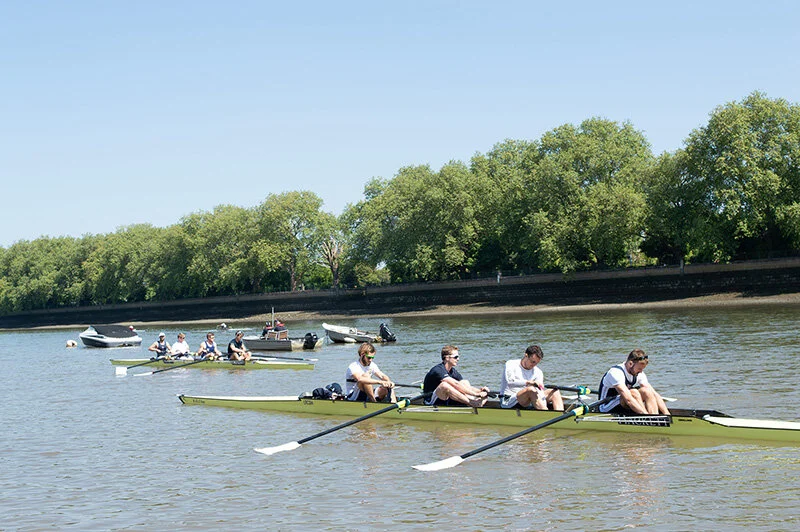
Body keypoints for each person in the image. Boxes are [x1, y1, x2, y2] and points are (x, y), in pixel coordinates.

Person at [597, 349, 671, 415]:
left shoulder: (638, 372)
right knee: (634, 392)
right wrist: (645, 415)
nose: (641, 371)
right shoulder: (615, 373)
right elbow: (628, 399)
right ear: (630, 364)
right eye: (639, 368)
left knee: (647, 391)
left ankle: (655, 417)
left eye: (642, 369)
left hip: (622, 402)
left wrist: (667, 414)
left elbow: (654, 394)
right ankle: (647, 418)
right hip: (606, 406)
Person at [499, 345, 564, 410]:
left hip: (530, 399)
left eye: (536, 363)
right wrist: (528, 382)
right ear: (526, 355)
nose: (534, 365)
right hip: (509, 400)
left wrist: (541, 393)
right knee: (531, 390)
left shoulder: (538, 372)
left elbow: (540, 392)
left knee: (554, 392)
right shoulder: (511, 364)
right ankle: (545, 414)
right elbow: (510, 382)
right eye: (532, 362)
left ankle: (560, 416)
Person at [423, 345, 490, 407]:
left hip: (445, 399)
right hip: (430, 401)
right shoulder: (438, 370)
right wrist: (476, 394)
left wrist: (479, 390)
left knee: (464, 382)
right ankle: (472, 403)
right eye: (455, 357)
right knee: (444, 385)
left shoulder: (453, 371)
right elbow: (456, 384)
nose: (458, 359)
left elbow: (463, 386)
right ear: (447, 358)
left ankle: (472, 401)